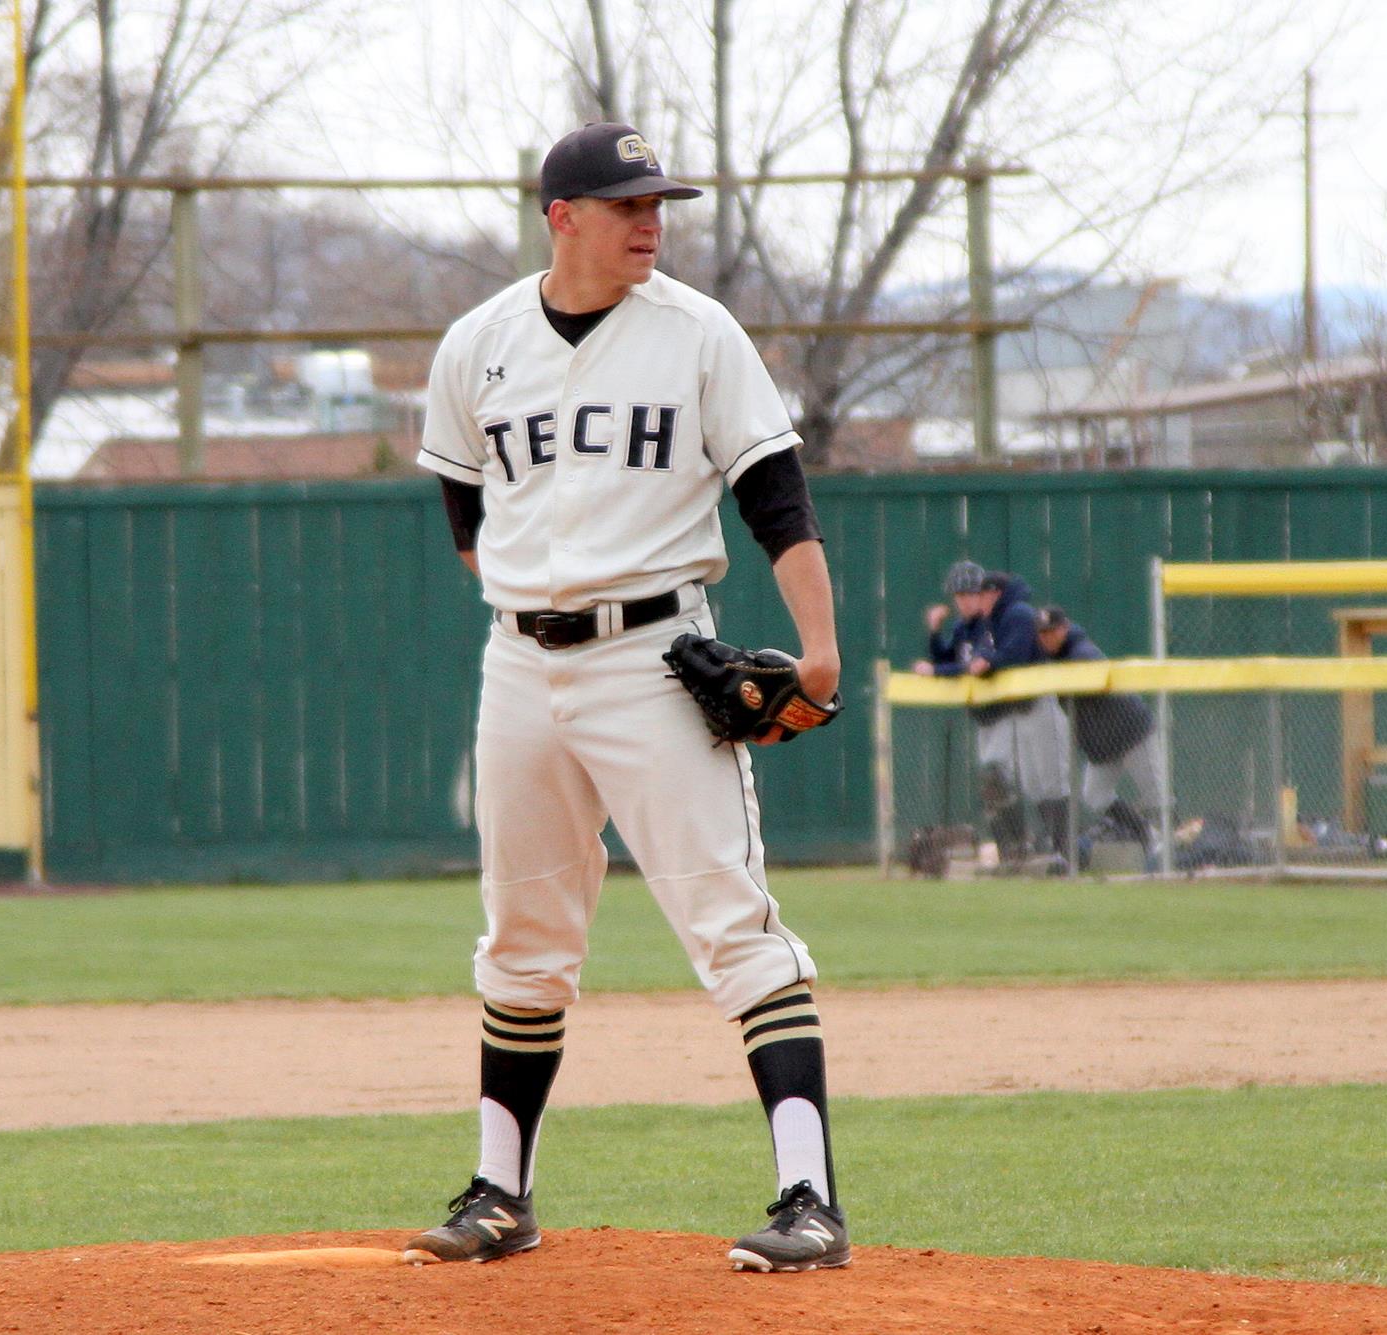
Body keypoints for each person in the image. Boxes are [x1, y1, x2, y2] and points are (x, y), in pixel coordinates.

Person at [407, 121, 848, 1274]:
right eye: (626, 205)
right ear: (561, 217)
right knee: (522, 938)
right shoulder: (477, 344)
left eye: (658, 204)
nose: (651, 222)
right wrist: (535, 608)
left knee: (732, 924)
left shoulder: (698, 336)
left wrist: (818, 649)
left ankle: (808, 1200)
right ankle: (501, 1196)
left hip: (654, 661)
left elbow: (777, 502)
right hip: (519, 667)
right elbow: (466, 515)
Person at [912, 562, 1071, 870]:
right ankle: (1017, 851)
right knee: (1003, 780)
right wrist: (934, 635)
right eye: (959, 595)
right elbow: (960, 661)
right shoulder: (970, 625)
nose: (965, 601)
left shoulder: (1010, 617)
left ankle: (1061, 851)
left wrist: (940, 671)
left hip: (1033, 705)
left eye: (972, 594)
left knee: (1042, 782)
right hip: (1000, 713)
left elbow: (991, 662)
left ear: (992, 594)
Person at [1034, 606, 1166, 868]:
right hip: (1102, 745)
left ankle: (1173, 852)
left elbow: (1089, 664)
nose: (1046, 637)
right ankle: (1146, 833)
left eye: (1051, 631)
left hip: (1132, 733)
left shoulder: (1081, 648)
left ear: (1064, 628)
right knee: (1095, 795)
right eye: (1042, 633)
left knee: (1156, 795)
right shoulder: (1049, 657)